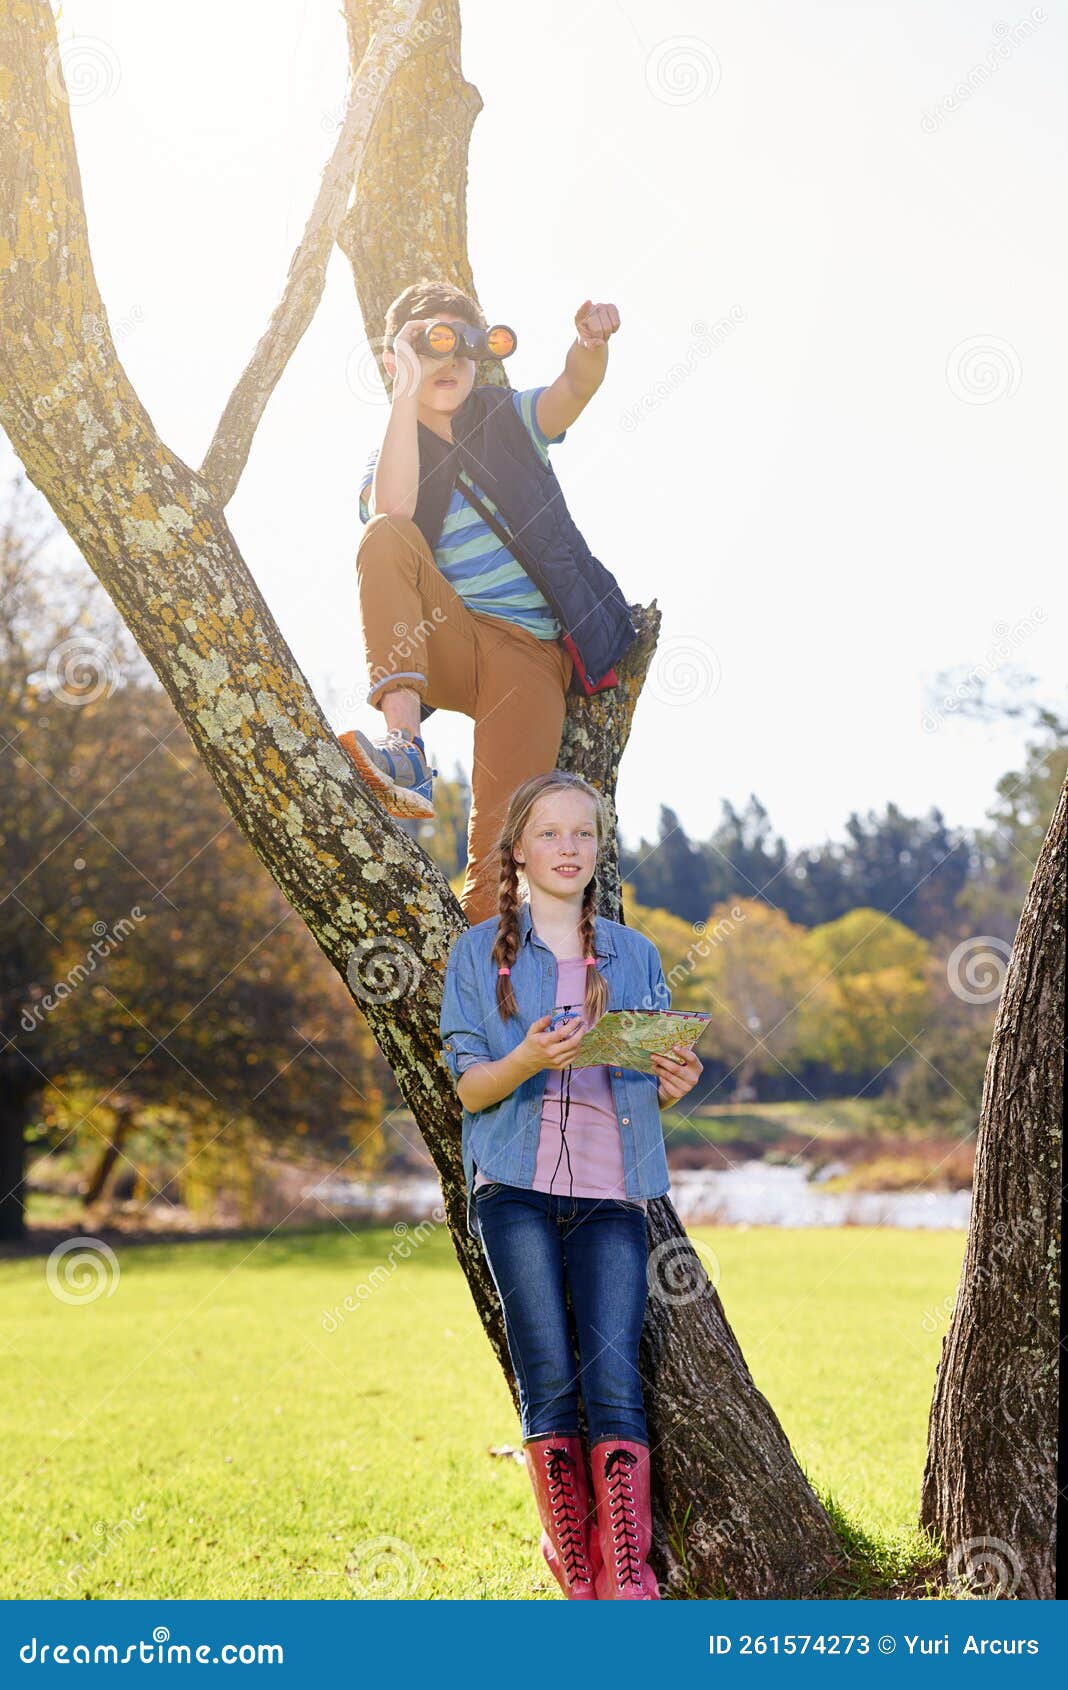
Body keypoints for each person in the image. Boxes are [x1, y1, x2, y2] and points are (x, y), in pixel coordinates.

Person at [438, 771, 702, 1598]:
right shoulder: (477, 953)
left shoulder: (636, 954)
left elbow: (650, 1074)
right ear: (518, 847)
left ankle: (625, 1567)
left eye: (582, 834)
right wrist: (526, 1059)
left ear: (599, 849)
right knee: (547, 1371)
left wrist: (675, 1075)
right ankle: (571, 1561)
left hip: (611, 1194)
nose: (568, 849)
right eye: (550, 833)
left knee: (616, 1375)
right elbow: (467, 1087)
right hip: (512, 1189)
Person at [339, 277, 638, 925]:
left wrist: (589, 344)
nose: (449, 364)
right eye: (430, 347)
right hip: (456, 641)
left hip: (530, 658)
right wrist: (403, 395)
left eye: (463, 350)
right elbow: (393, 511)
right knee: (383, 536)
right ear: (395, 360)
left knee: (499, 858)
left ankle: (489, 1004)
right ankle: (405, 751)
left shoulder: (507, 417)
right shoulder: (391, 451)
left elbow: (572, 393)